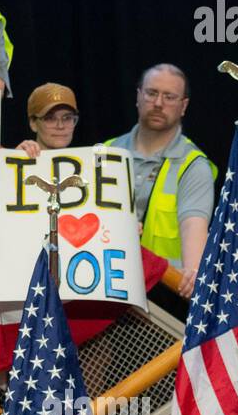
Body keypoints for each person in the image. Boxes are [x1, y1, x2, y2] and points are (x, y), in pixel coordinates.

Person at [106, 63, 216, 297]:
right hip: (107, 288)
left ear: (183, 106)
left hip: (164, 295)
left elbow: (193, 226)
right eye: (152, 93)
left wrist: (195, 273)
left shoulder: (193, 165)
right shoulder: (106, 151)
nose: (158, 103)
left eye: (169, 97)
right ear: (138, 96)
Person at [16, 83, 79, 157]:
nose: (60, 126)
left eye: (67, 118)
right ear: (33, 123)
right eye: (50, 118)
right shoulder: (11, 161)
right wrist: (14, 157)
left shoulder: (89, 163)